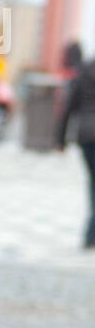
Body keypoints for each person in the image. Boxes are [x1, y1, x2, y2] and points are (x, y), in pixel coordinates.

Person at [56, 48, 95, 248]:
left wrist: (60, 139)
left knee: (92, 183)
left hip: (86, 135)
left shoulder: (85, 70)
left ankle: (90, 233)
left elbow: (70, 105)